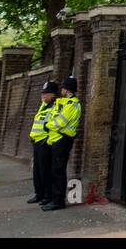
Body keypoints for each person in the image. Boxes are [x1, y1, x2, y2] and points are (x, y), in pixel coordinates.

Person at [42, 76, 81, 211]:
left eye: (63, 88)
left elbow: (60, 122)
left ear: (67, 89)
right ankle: (54, 198)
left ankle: (58, 201)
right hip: (57, 140)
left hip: (63, 140)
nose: (61, 90)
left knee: (58, 171)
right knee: (54, 170)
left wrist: (48, 125)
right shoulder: (64, 102)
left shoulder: (72, 104)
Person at [28, 82, 58, 205]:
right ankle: (39, 193)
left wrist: (46, 139)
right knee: (37, 170)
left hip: (45, 141)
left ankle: (47, 195)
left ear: (52, 95)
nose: (43, 95)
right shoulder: (44, 105)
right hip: (37, 140)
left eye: (45, 93)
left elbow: (54, 123)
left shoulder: (55, 106)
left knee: (45, 170)